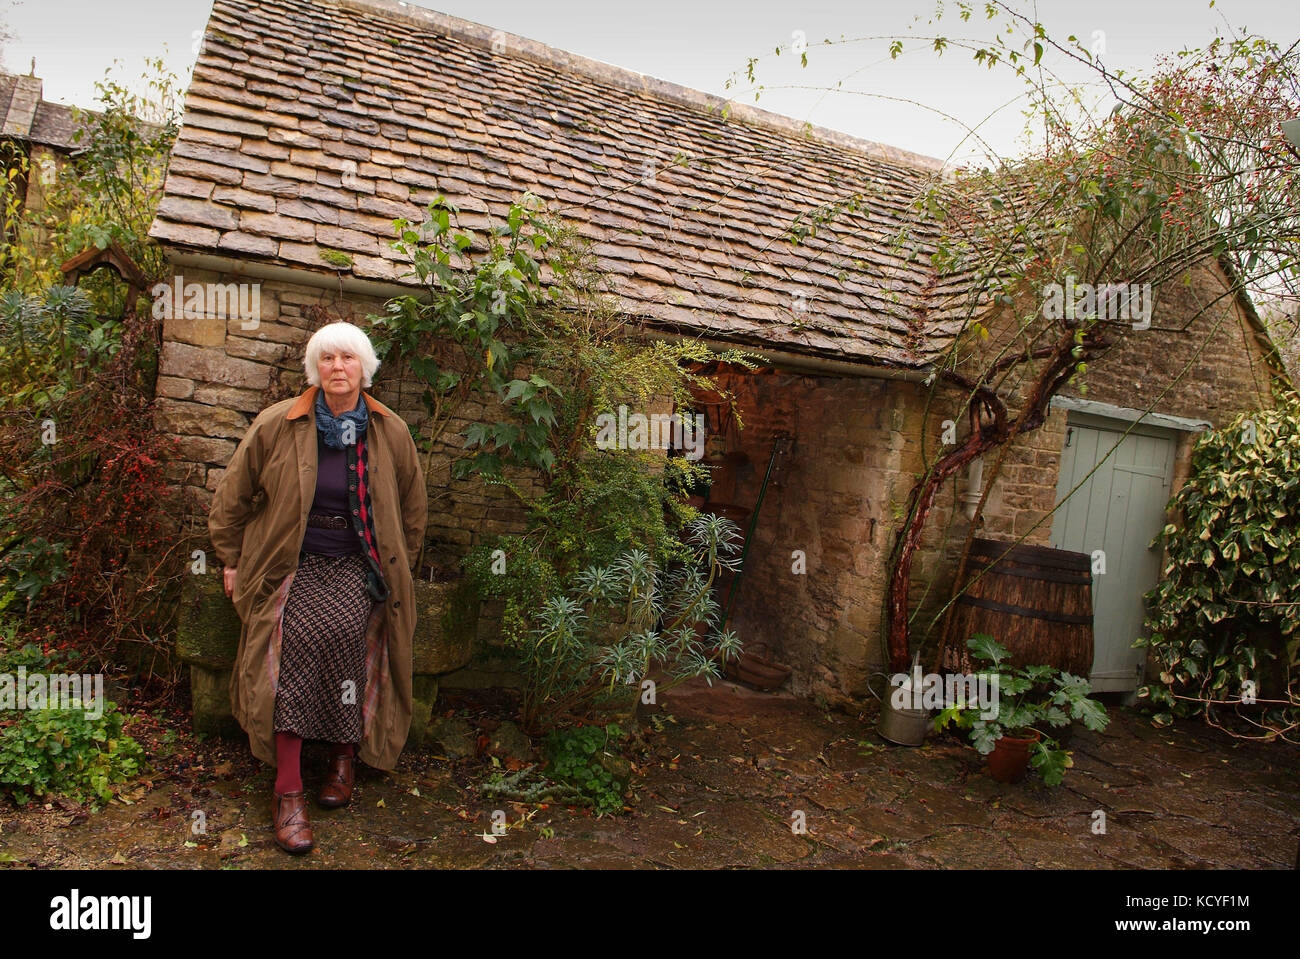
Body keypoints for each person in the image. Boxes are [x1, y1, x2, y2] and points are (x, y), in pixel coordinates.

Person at [208, 321, 427, 854]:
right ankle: (287, 790)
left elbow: (413, 509)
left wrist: (399, 568)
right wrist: (232, 559)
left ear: (364, 369)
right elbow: (233, 496)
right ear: (315, 368)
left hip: (358, 563)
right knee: (297, 639)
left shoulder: (389, 430)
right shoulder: (278, 424)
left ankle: (343, 755)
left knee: (351, 632)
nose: (337, 368)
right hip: (292, 561)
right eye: (326, 359)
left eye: (347, 359)